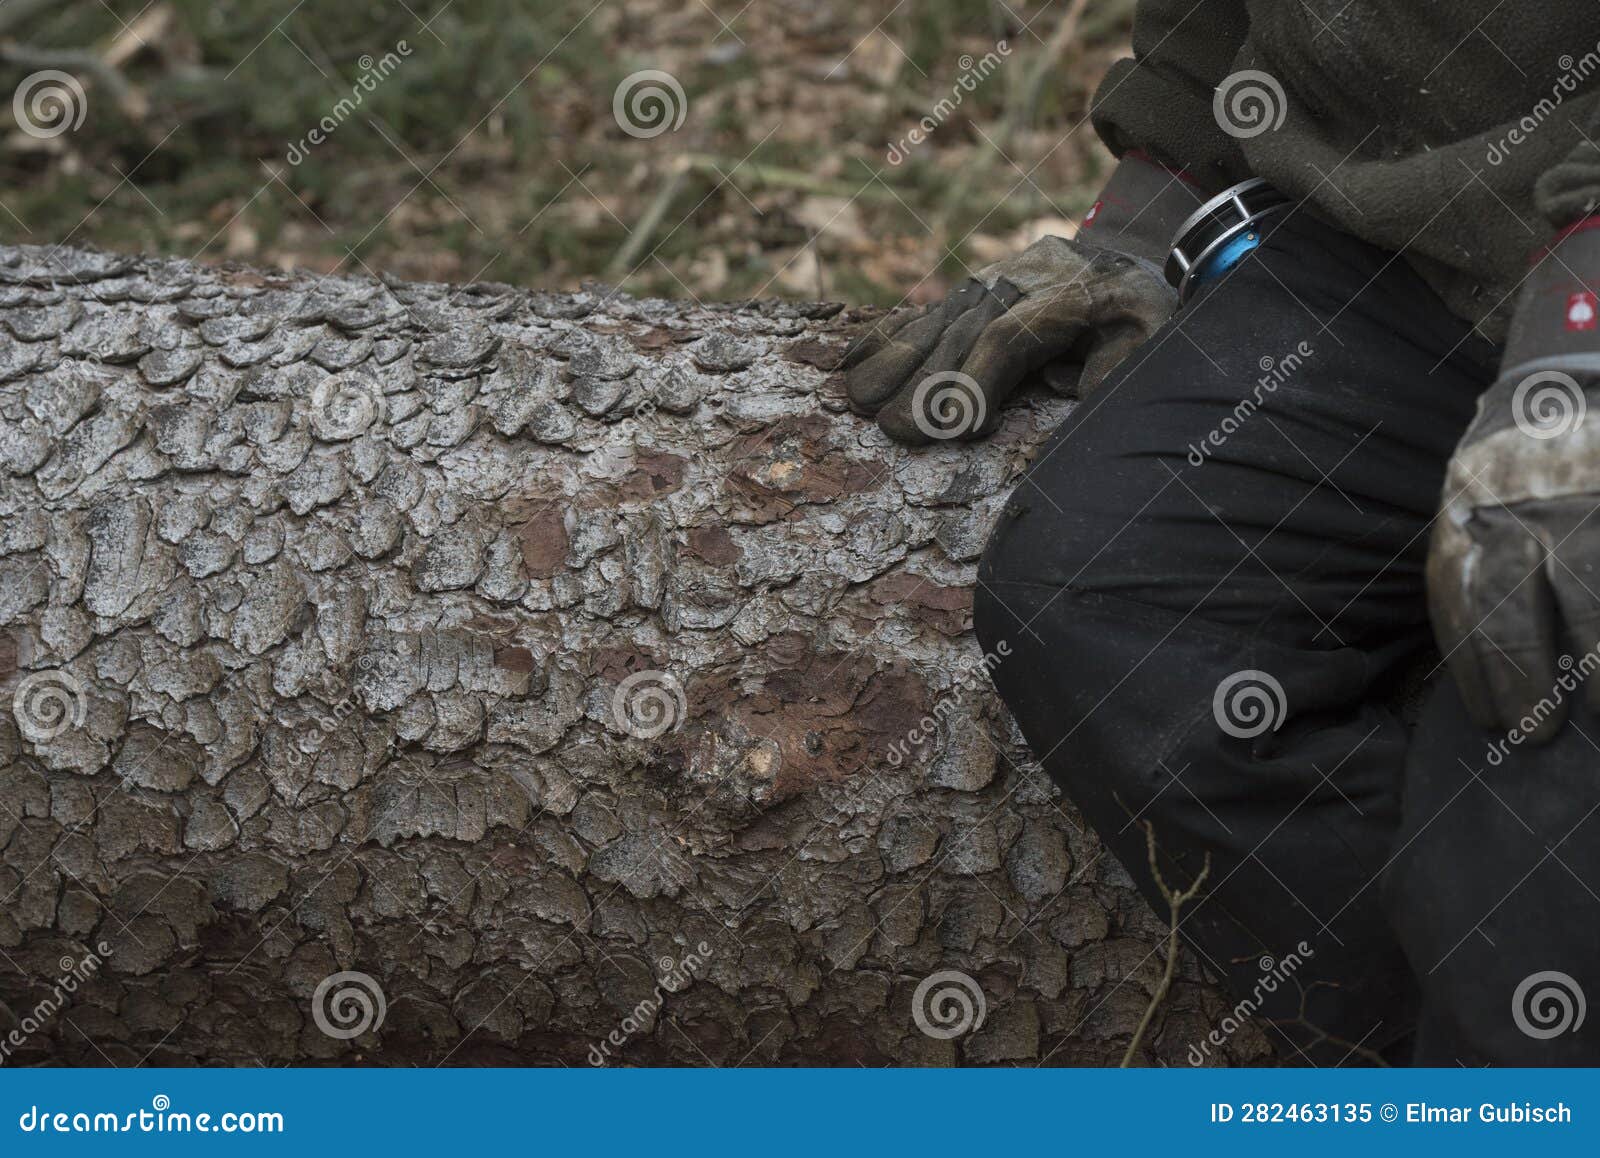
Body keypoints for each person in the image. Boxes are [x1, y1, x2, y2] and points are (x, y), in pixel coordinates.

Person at [843, 4, 1600, 1065]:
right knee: (1097, 595)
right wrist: (1160, 202)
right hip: (1412, 259)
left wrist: (1579, 335)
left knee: (1535, 782)